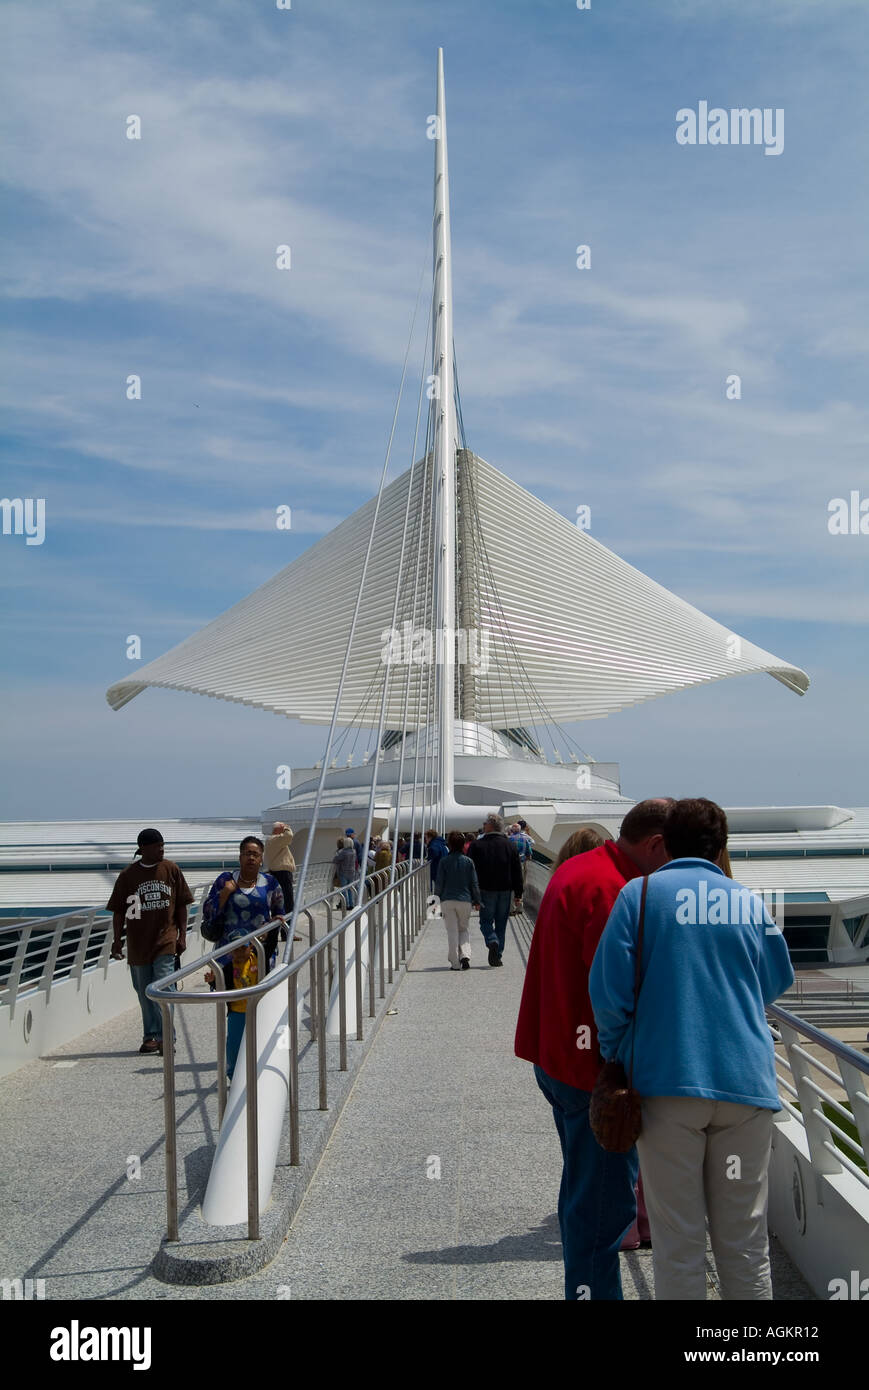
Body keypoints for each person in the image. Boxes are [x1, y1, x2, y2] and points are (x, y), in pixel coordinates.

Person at [589, 798, 794, 1301]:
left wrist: (623, 1052)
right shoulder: (746, 900)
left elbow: (608, 993)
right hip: (746, 1085)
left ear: (666, 842)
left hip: (666, 1085)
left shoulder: (640, 896)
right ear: (720, 846)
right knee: (744, 1240)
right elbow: (774, 978)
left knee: (678, 1239)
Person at [514, 798, 673, 1300]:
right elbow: (617, 996)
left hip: (558, 1056)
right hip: (590, 1073)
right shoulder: (613, 890)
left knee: (583, 1195)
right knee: (603, 1214)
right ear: (655, 845)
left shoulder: (583, 866)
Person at [202, 837, 285, 1077]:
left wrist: (276, 923)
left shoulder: (270, 882)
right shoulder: (224, 881)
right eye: (247, 853)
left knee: (260, 1005)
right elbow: (208, 912)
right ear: (240, 856)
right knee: (235, 1009)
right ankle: (234, 1067)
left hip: (260, 956)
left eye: (256, 854)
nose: (251, 857)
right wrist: (225, 894)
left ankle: (258, 1057)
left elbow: (279, 912)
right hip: (229, 957)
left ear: (261, 859)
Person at [107, 828, 193, 1056]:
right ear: (143, 848)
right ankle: (151, 1036)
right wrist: (117, 941)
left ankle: (167, 1038)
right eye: (157, 846)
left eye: (163, 845)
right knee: (144, 992)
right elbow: (118, 911)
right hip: (138, 944)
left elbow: (183, 904)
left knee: (164, 989)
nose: (161, 850)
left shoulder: (171, 870)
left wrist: (182, 935)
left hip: (165, 940)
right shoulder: (128, 876)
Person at [467, 813, 523, 965]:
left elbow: (470, 871)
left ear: (490, 826)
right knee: (501, 922)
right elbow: (517, 870)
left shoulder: (477, 845)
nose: (483, 825)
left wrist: (472, 894)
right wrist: (518, 893)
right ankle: (497, 956)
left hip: (485, 889)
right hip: (506, 889)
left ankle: (492, 940)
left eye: (485, 823)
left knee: (485, 921)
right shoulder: (510, 846)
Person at [434, 830, 482, 970]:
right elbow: (474, 883)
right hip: (465, 900)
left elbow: (439, 884)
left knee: (452, 931)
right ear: (462, 845)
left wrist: (434, 904)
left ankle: (455, 962)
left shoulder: (444, 861)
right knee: (463, 929)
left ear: (449, 844)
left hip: (447, 900)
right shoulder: (468, 861)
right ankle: (465, 955)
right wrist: (477, 900)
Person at [332, 836, 358, 908]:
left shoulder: (343, 852)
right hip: (352, 872)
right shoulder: (354, 851)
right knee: (350, 889)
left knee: (344, 889)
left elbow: (335, 860)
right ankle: (351, 904)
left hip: (343, 872)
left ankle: (345, 904)